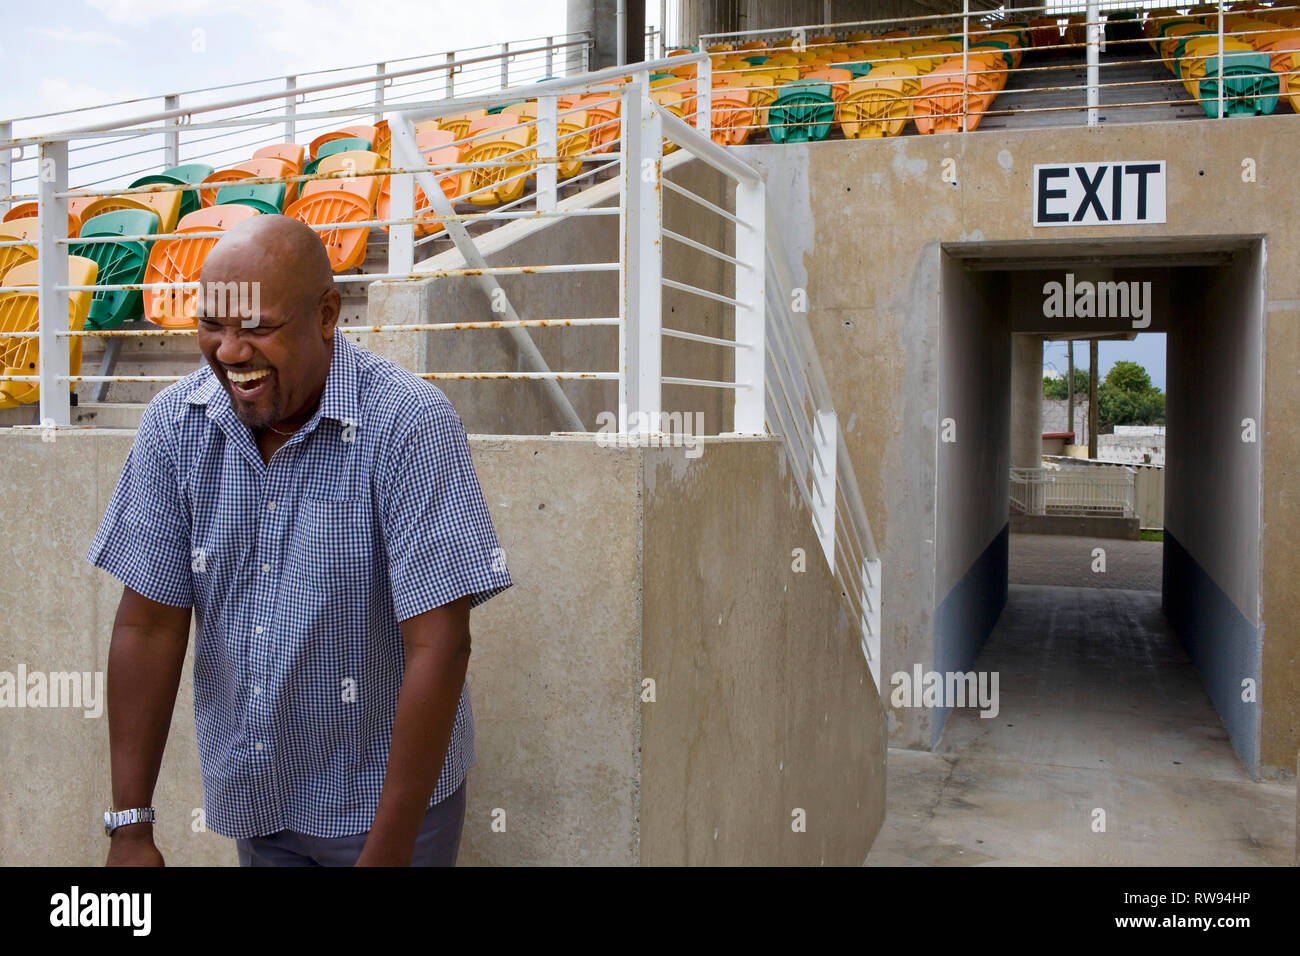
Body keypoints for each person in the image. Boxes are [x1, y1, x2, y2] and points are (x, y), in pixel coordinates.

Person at [88, 214, 512, 866]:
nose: (229, 350)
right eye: (213, 324)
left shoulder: (409, 424)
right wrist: (131, 826)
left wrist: (390, 850)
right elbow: (148, 625)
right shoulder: (174, 425)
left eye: (256, 326)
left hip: (385, 811)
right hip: (257, 803)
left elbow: (440, 643)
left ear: (327, 315)